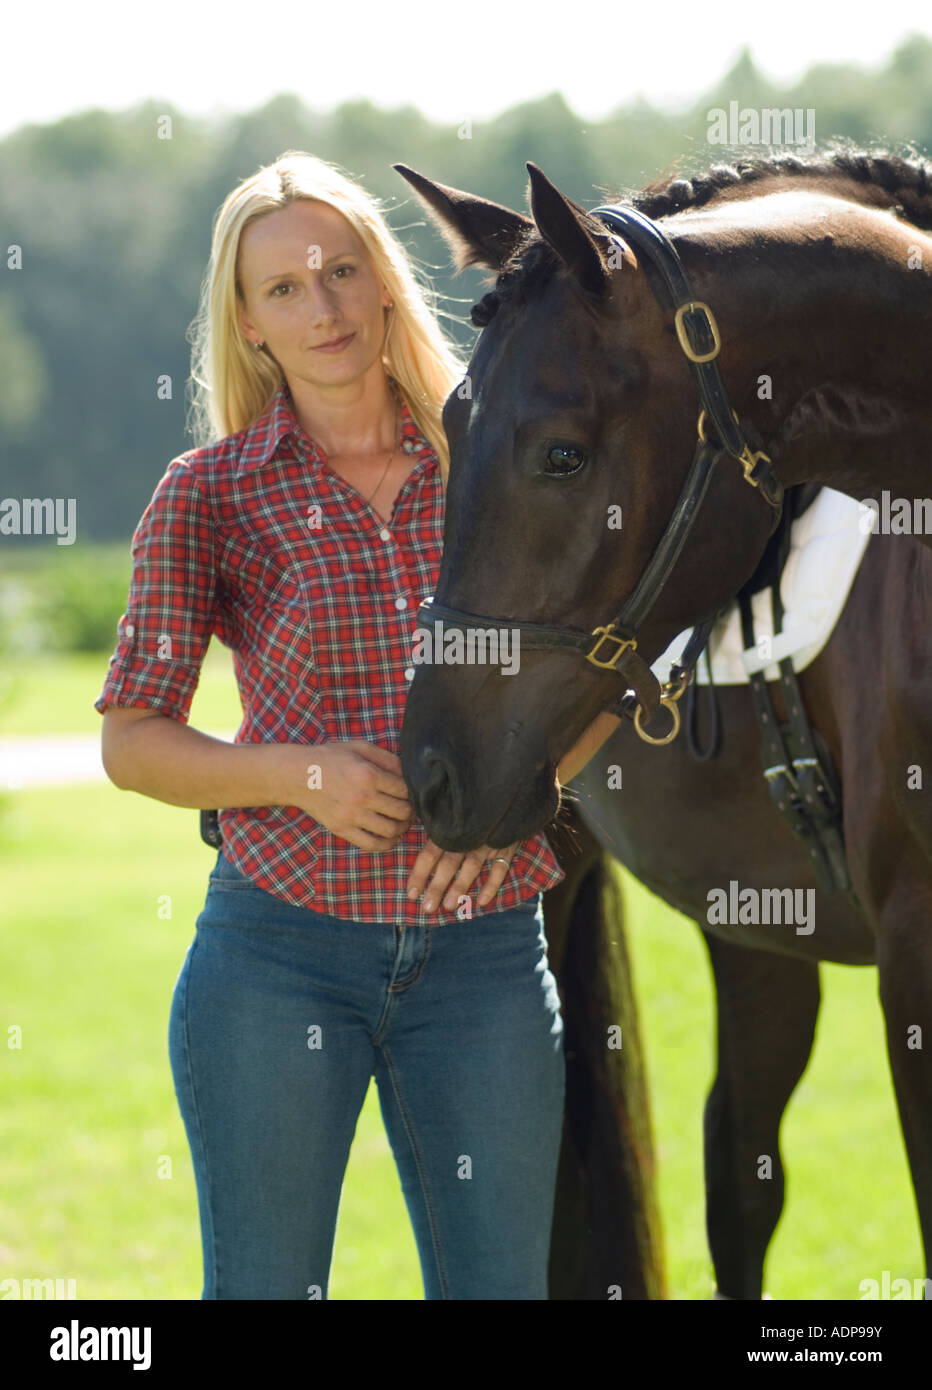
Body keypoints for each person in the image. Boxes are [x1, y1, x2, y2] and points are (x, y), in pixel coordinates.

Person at [95, 150, 613, 1301]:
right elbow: (130, 738)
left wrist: (509, 804)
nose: (320, 306)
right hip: (277, 959)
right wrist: (296, 775)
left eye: (341, 270)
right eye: (284, 288)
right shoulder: (210, 492)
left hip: (484, 958)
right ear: (248, 323)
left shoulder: (498, 461)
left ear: (384, 281)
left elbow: (598, 678)